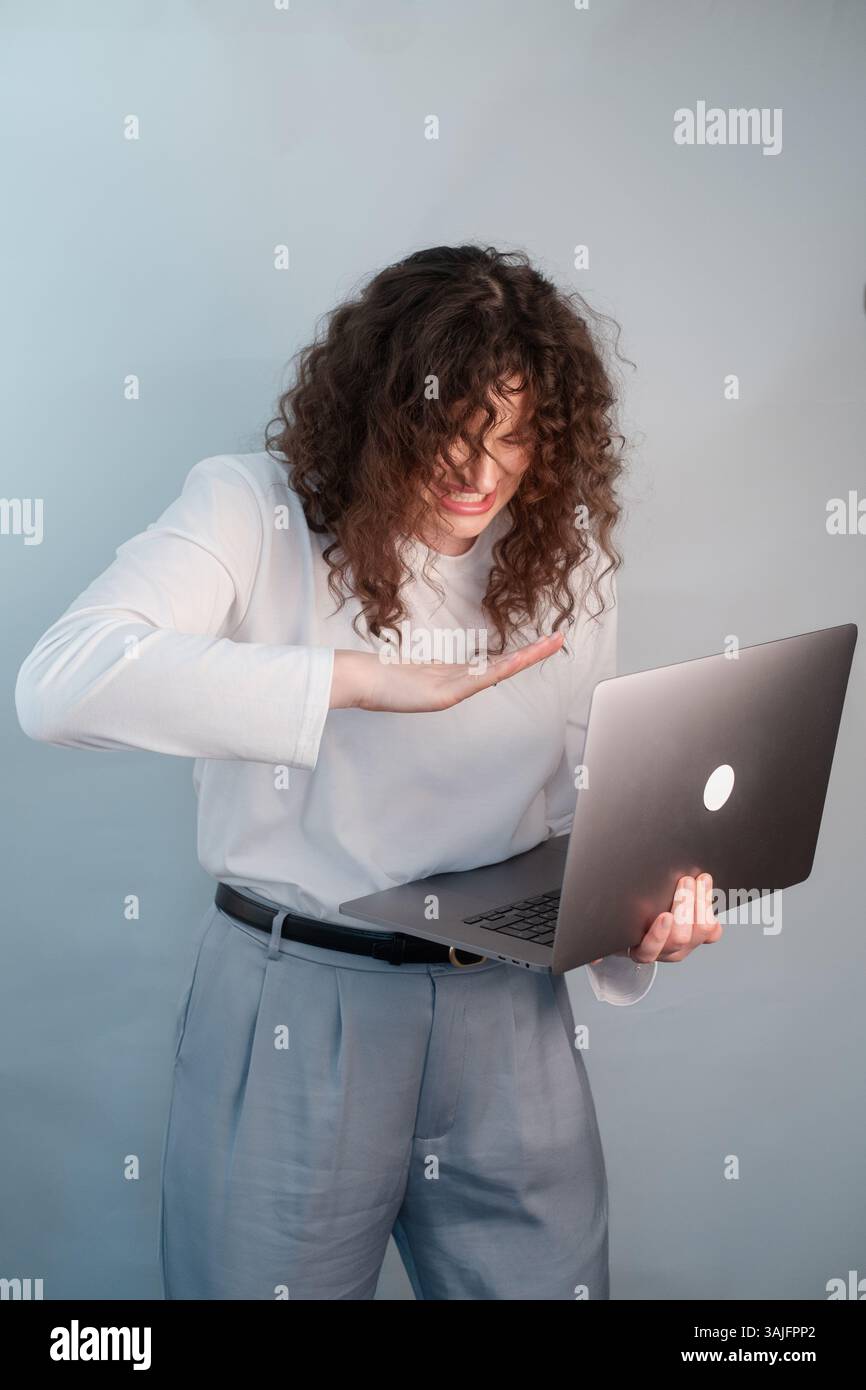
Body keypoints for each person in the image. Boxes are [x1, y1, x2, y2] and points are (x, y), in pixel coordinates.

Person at [15, 244, 723, 1301]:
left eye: (517, 436)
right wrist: (345, 680)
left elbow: (590, 798)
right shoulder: (248, 510)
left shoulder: (563, 556)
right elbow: (57, 685)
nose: (481, 473)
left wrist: (647, 903)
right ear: (381, 407)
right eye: (452, 428)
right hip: (297, 1004)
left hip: (505, 1015)